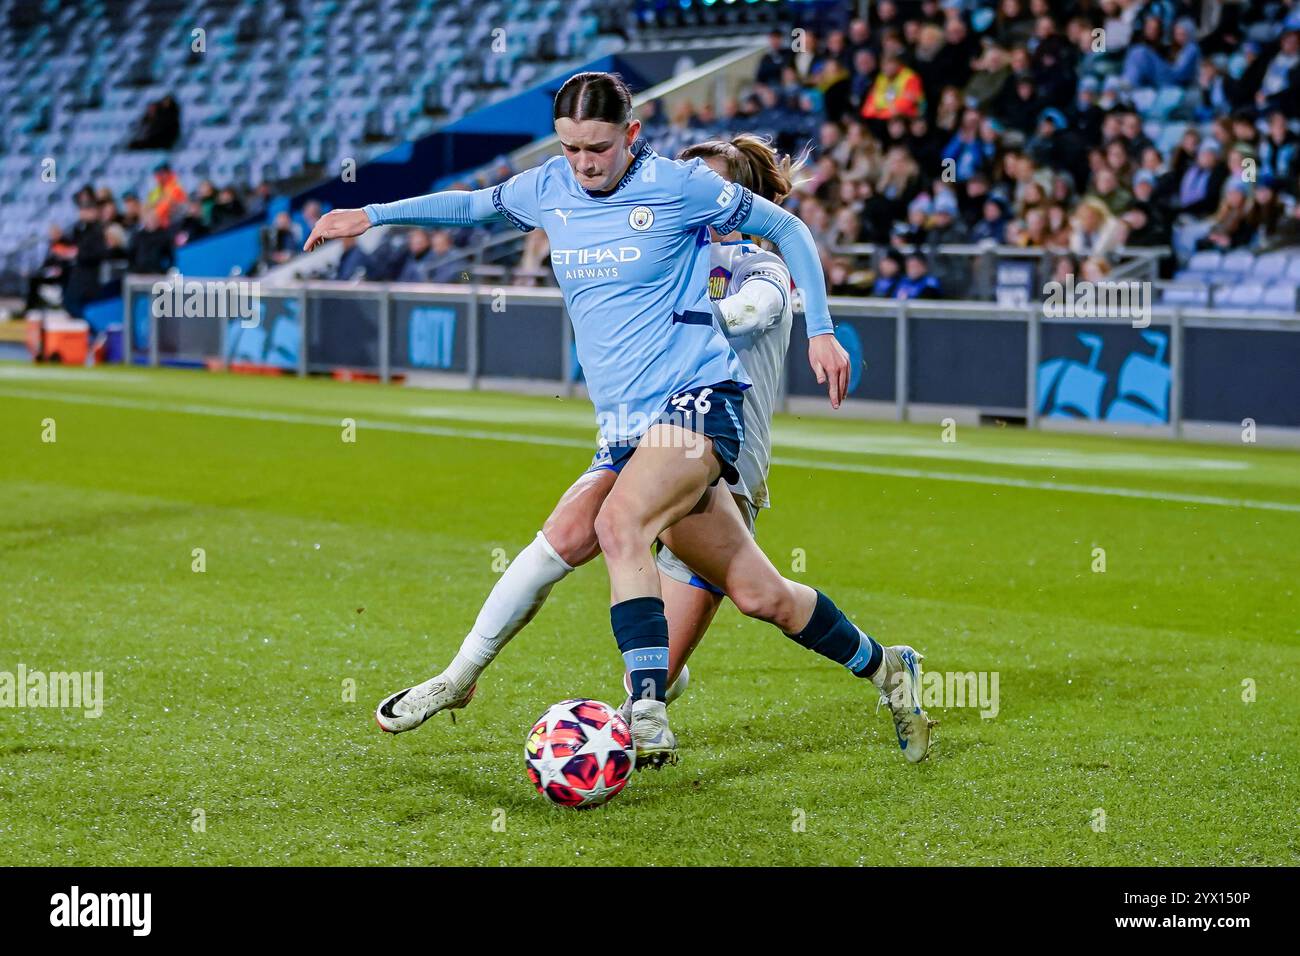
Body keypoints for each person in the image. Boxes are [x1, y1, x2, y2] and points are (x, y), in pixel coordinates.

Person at [304, 73, 934, 766]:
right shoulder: (550, 186)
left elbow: (786, 226)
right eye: (571, 149)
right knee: (757, 594)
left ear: (631, 135)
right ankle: (886, 668)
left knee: (612, 524)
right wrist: (373, 214)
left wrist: (822, 328)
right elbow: (474, 205)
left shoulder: (677, 187)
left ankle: (646, 706)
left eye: (597, 148)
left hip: (698, 402)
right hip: (627, 430)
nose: (584, 164)